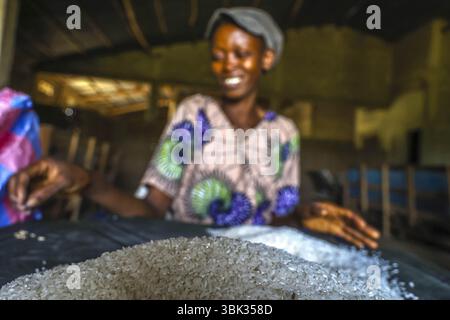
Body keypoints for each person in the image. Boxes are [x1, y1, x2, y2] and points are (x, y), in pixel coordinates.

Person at [7, 7, 379, 249]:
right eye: (218, 57)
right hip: (187, 257)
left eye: (241, 54)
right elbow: (152, 209)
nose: (227, 66)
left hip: (257, 261)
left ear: (266, 58)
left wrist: (303, 215)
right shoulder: (195, 116)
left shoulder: (284, 132)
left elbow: (278, 218)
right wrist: (84, 180)